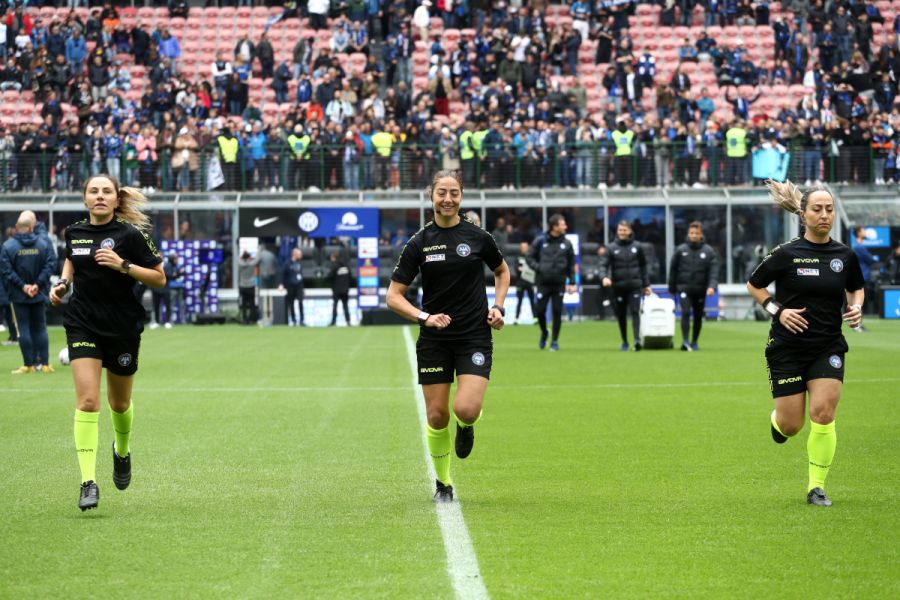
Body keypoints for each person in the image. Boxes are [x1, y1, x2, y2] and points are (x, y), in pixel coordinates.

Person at [386, 169, 510, 502]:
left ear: (461, 197)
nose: (447, 199)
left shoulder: (478, 237)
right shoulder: (419, 243)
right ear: (431, 197)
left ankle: (467, 427)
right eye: (442, 192)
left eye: (453, 192)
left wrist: (498, 307)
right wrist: (424, 317)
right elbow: (393, 296)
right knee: (437, 415)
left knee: (466, 409)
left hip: (474, 336)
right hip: (435, 340)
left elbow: (502, 270)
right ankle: (443, 483)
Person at [48, 174, 166, 511]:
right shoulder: (74, 232)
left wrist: (124, 265)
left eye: (106, 191)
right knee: (87, 401)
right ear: (85, 198)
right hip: (83, 324)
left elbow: (160, 277)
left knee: (119, 404)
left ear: (117, 199)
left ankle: (122, 450)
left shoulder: (131, 235)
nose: (100, 196)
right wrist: (62, 284)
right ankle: (88, 482)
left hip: (122, 327)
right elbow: (72, 258)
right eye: (93, 191)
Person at [746, 181, 864, 507]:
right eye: (817, 209)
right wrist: (777, 311)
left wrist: (856, 307)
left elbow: (856, 288)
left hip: (827, 346)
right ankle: (778, 424)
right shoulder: (786, 254)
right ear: (803, 214)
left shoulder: (844, 255)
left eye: (829, 209)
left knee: (823, 413)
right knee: (792, 424)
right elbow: (754, 285)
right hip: (786, 347)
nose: (824, 215)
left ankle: (816, 487)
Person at [0, 211, 56, 373]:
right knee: (40, 327)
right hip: (38, 293)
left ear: (17, 227)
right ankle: (45, 364)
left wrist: (23, 286)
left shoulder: (8, 246)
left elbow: (6, 271)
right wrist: (37, 285)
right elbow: (50, 265)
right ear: (32, 227)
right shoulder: (43, 244)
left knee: (23, 328)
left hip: (19, 294)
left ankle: (29, 365)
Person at [599, 221, 651, 351]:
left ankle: (637, 341)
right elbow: (603, 265)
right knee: (621, 315)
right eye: (620, 230)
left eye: (624, 230)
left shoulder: (637, 247)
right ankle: (624, 341)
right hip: (618, 287)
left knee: (635, 312)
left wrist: (646, 285)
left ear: (630, 231)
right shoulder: (611, 247)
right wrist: (604, 277)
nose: (622, 232)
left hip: (634, 285)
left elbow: (643, 266)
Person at [527, 214, 575, 351]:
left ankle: (554, 341)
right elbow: (529, 257)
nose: (565, 226)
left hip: (559, 283)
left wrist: (572, 281)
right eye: (562, 224)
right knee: (540, 311)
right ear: (554, 226)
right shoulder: (540, 241)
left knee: (557, 312)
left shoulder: (567, 243)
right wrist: (539, 268)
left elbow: (571, 264)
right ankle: (544, 332)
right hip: (543, 282)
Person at [668, 221, 719, 351]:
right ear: (688, 234)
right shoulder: (680, 250)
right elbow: (673, 270)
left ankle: (694, 341)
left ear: (701, 234)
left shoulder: (708, 251)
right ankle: (685, 341)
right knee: (685, 313)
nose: (694, 235)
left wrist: (712, 286)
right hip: (684, 289)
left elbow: (713, 271)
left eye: (696, 233)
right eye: (691, 233)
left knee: (698, 315)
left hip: (701, 289)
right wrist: (671, 288)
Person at [852, 226, 879, 319]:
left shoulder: (858, 246)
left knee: (861, 301)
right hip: (861, 276)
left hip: (862, 276)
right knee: (859, 301)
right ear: (859, 233)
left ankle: (858, 323)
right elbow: (870, 259)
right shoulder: (859, 247)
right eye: (863, 230)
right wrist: (874, 258)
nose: (865, 232)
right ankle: (857, 324)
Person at [280, 248, 305, 326]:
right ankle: (294, 320)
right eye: (299, 254)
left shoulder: (300, 263)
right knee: (291, 303)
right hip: (290, 285)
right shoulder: (287, 263)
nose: (301, 256)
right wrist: (281, 284)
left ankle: (302, 320)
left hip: (299, 285)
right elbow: (283, 274)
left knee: (300, 302)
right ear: (294, 254)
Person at [514, 241, 536, 324]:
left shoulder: (531, 257)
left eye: (526, 247)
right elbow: (515, 267)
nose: (524, 249)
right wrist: (519, 269)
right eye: (523, 247)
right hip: (520, 282)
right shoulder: (517, 257)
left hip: (530, 281)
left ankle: (535, 318)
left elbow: (534, 267)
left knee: (532, 300)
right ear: (520, 248)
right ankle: (516, 319)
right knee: (519, 301)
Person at [328, 252, 352, 326]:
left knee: (335, 305)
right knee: (345, 306)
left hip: (337, 290)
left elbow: (329, 276)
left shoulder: (334, 266)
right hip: (345, 290)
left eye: (331, 258)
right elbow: (350, 277)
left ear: (334, 258)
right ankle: (348, 322)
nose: (331, 260)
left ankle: (333, 322)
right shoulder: (346, 266)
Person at [237, 250, 260, 325]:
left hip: (243, 286)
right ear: (249, 257)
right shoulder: (252, 264)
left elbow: (237, 258)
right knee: (252, 304)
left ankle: (244, 319)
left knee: (243, 304)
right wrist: (258, 250)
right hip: (251, 286)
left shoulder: (240, 264)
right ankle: (251, 319)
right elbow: (257, 259)